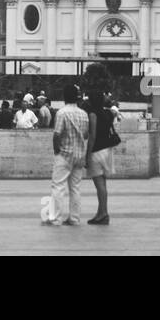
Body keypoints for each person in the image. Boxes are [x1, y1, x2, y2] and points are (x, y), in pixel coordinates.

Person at [44, 85, 89, 226]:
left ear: (64, 97)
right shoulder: (84, 114)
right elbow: (86, 134)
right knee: (75, 188)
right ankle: (74, 219)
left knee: (58, 186)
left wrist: (57, 150)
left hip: (64, 154)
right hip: (79, 155)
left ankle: (55, 218)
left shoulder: (62, 113)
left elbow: (56, 134)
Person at [85, 93, 120, 224]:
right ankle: (101, 212)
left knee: (99, 185)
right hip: (108, 150)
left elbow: (92, 136)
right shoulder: (108, 113)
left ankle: (103, 214)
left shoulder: (93, 114)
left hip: (97, 151)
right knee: (103, 183)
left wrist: (87, 155)